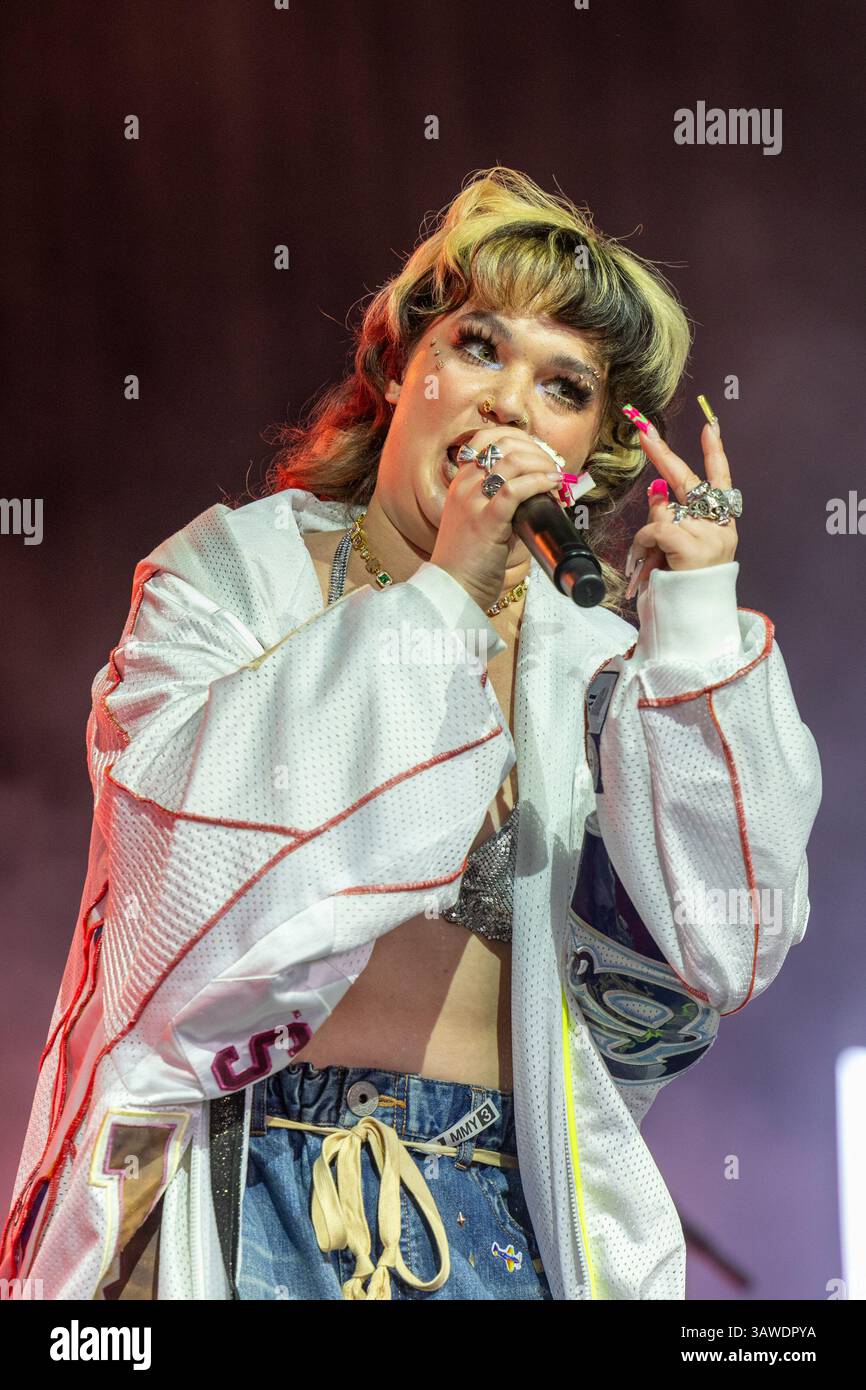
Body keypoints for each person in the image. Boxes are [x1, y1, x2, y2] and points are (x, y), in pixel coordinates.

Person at [1, 168, 821, 1301]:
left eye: (562, 384)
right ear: (400, 366)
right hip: (233, 1200)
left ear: (588, 455)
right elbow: (182, 892)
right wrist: (443, 599)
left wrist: (687, 629)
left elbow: (728, 944)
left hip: (512, 1230)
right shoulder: (231, 577)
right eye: (479, 347)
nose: (507, 403)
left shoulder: (593, 665)